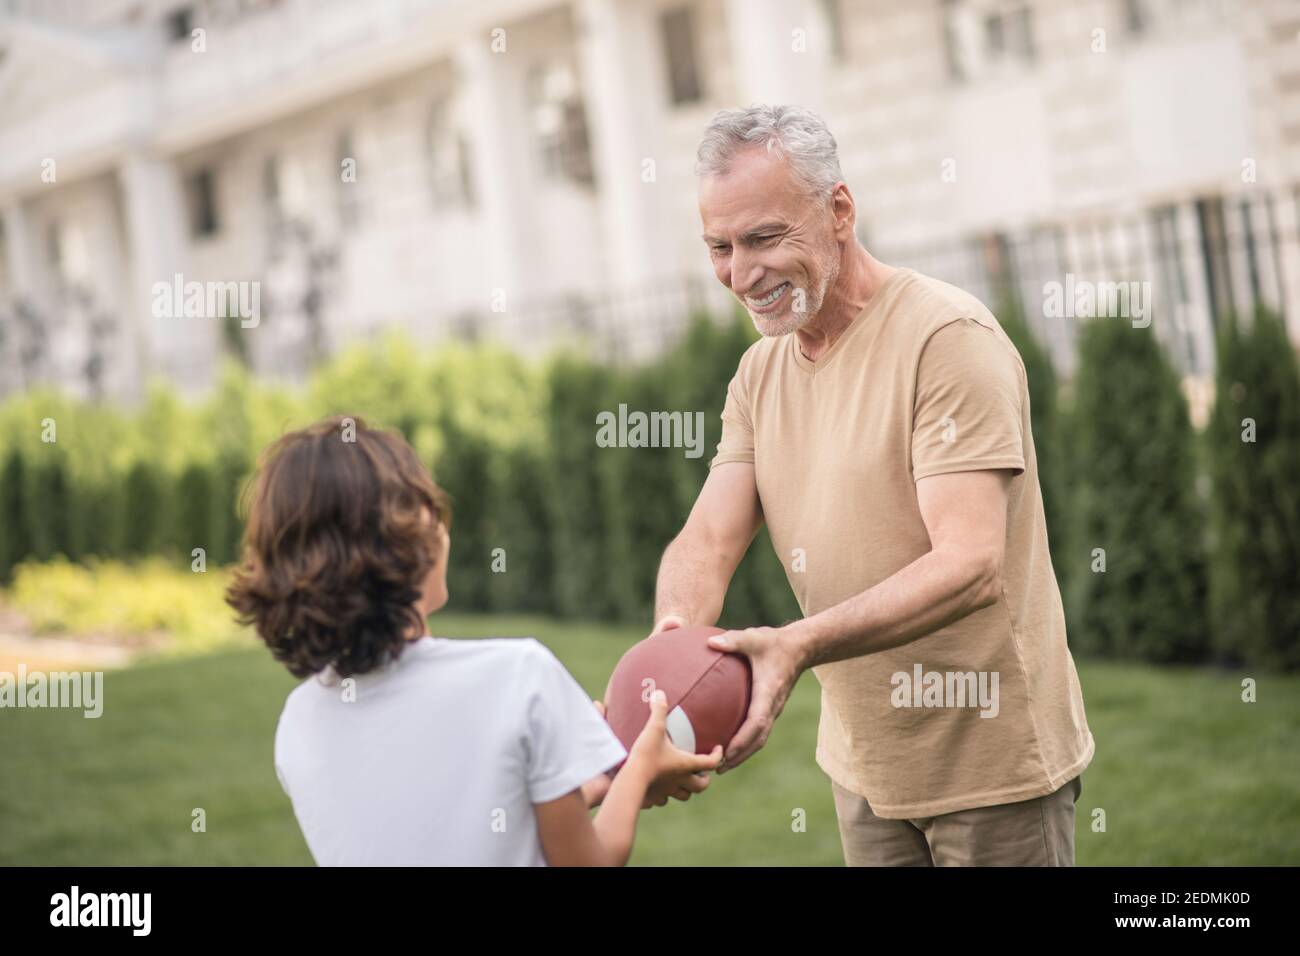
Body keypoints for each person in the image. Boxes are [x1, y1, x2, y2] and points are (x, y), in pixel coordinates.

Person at [226, 415, 720, 865]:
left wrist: (570, 782)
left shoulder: (297, 725)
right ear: (410, 535)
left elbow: (439, 832)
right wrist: (637, 772)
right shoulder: (519, 677)